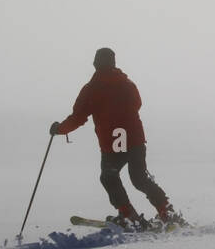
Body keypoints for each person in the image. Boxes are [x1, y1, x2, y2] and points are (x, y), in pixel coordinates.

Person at [51, 48, 182, 230]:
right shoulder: (127, 84)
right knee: (139, 178)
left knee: (109, 176)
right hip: (135, 138)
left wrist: (59, 129)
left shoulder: (92, 89)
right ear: (113, 63)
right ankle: (167, 213)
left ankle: (129, 216)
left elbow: (78, 117)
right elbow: (137, 104)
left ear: (96, 64)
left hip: (114, 141)